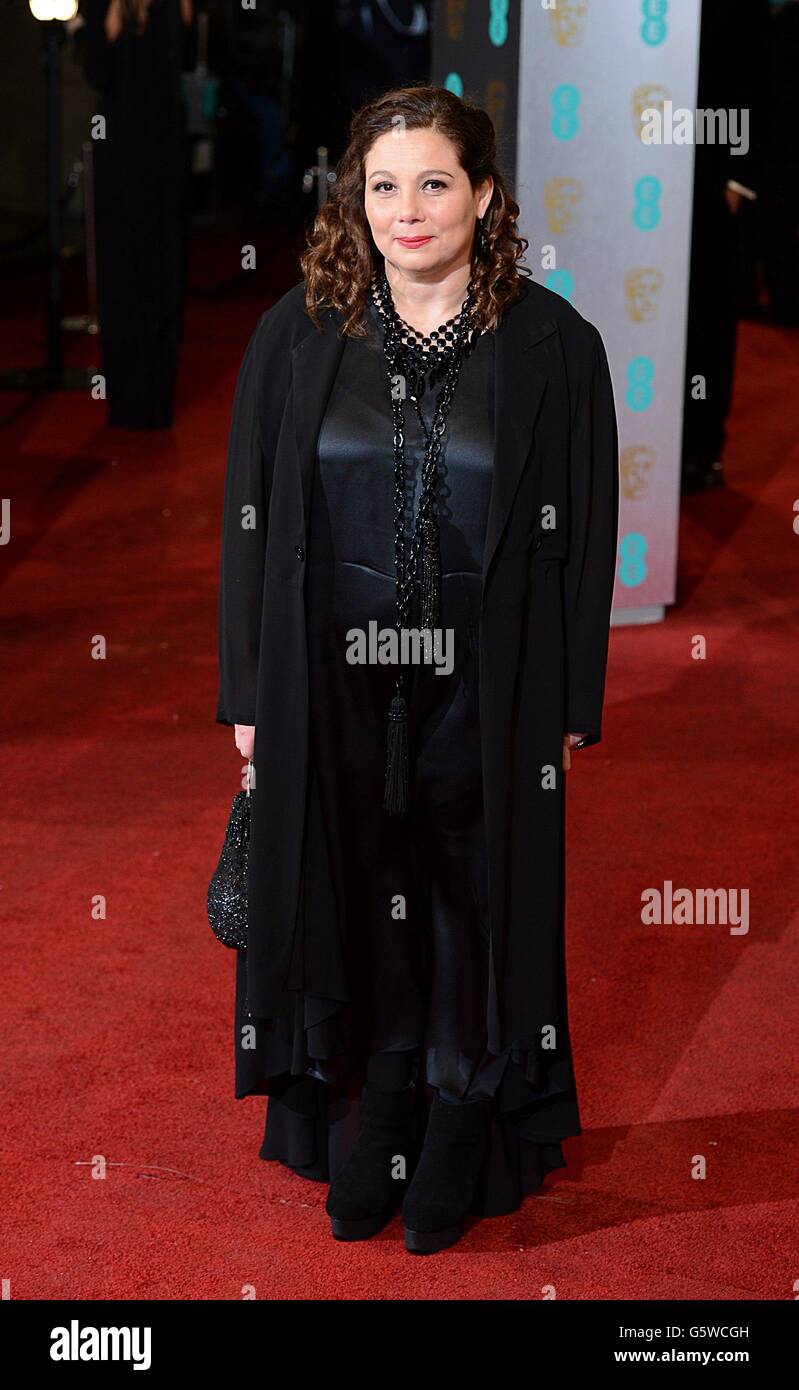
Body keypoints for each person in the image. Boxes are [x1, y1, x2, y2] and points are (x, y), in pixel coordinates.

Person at [215, 84, 619, 1254]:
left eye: (433, 183)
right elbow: (249, 518)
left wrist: (565, 709)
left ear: (483, 195)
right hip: (329, 675)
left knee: (470, 888)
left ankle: (458, 1097)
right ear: (355, 197)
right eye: (381, 185)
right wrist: (248, 698)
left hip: (484, 682)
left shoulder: (555, 347)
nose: (406, 209)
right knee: (354, 874)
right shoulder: (296, 334)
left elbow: (581, 541)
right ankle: (382, 1083)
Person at [75, 0, 197, 428]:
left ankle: (159, 394)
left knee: (164, 263)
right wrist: (108, 19)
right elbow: (98, 72)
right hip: (119, 145)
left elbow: (186, 59)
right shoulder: (98, 5)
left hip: (165, 143)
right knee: (121, 262)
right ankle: (124, 396)